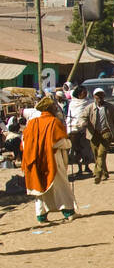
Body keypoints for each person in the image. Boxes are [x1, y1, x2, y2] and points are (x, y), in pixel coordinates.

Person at [22, 95, 76, 223]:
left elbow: (24, 142)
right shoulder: (53, 122)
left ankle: (41, 215)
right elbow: (58, 142)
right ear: (50, 108)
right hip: (52, 159)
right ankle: (68, 211)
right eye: (53, 106)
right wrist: (69, 143)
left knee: (39, 188)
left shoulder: (31, 123)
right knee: (61, 186)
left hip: (35, 160)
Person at [85, 87, 114, 184]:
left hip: (106, 133)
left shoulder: (110, 107)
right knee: (96, 154)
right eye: (97, 95)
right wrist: (83, 123)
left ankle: (98, 174)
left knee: (101, 154)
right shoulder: (89, 108)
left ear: (104, 96)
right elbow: (83, 117)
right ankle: (104, 173)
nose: (99, 97)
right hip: (93, 134)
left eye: (101, 95)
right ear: (94, 96)